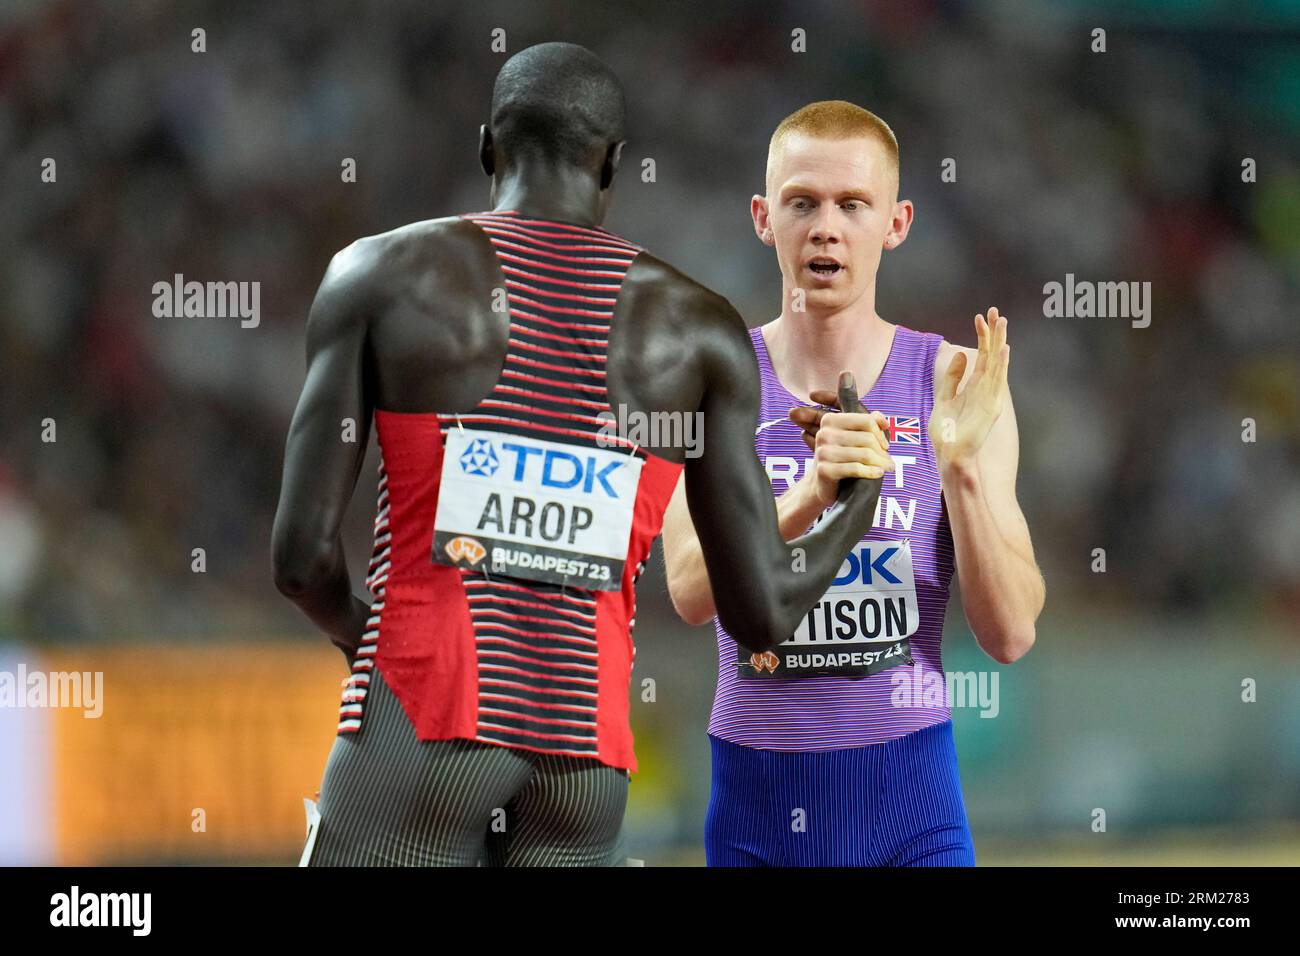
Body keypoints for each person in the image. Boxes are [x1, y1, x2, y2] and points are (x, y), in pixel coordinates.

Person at [271, 49, 890, 866]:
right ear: (613, 165)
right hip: (585, 760)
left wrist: (366, 643)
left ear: (488, 146)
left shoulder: (379, 276)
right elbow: (763, 614)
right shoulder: (700, 330)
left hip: (419, 723)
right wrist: (856, 504)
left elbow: (302, 558)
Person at [662, 100, 1046, 866]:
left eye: (852, 205)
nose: (825, 227)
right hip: (756, 809)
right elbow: (690, 591)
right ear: (763, 218)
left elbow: (1010, 636)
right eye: (801, 202)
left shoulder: (955, 384)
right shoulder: (710, 380)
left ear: (895, 223)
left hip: (909, 806)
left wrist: (960, 468)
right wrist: (810, 494)